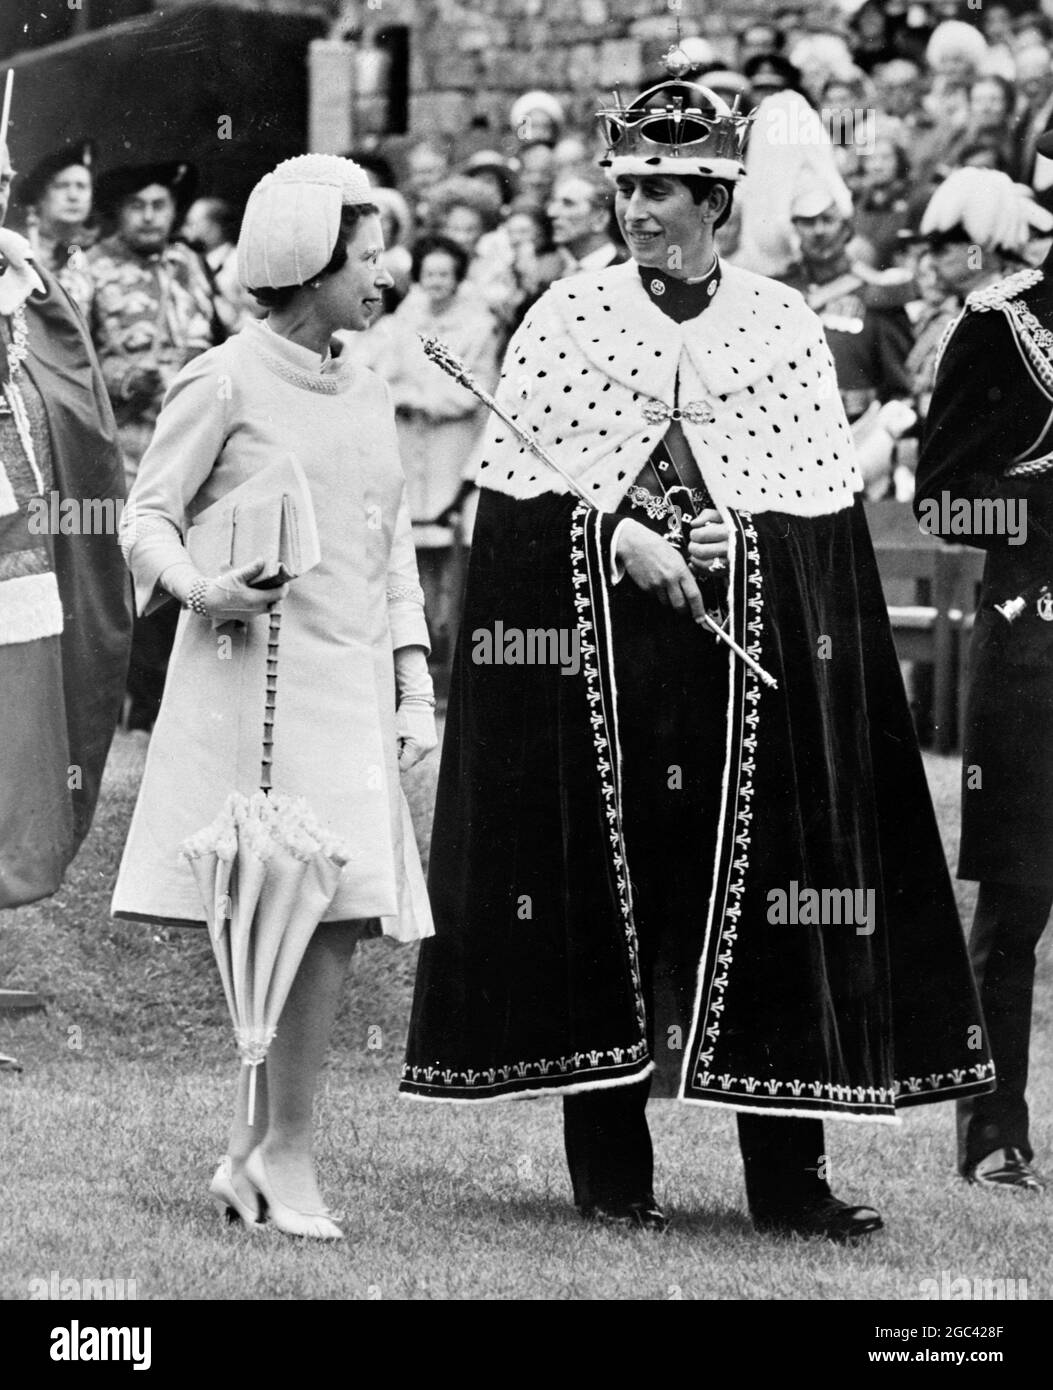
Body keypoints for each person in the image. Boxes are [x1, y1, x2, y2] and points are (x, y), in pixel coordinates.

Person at [400, 71, 993, 1241]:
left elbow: (821, 533)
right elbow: (515, 524)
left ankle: (791, 1180)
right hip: (601, 675)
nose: (639, 213)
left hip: (744, 681)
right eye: (627, 189)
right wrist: (611, 531)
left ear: (717, 199)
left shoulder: (782, 332)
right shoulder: (565, 321)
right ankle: (611, 1174)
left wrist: (745, 540)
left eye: (663, 190)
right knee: (604, 900)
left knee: (774, 906)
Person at [111, 155, 436, 1239]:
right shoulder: (224, 378)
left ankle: (273, 1150)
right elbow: (145, 516)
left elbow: (388, 550)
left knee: (337, 919)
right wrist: (205, 587)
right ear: (308, 262)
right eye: (366, 255)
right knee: (271, 918)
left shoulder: (373, 387)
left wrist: (412, 677)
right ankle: (264, 1150)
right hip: (245, 682)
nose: (382, 274)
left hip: (347, 682)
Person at [915, 156, 1053, 1193]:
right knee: (1016, 902)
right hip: (1035, 641)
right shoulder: (1002, 327)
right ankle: (993, 1125)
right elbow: (944, 502)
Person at [0, 137, 130, 910]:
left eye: (5, 176)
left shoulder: (30, 294)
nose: (3, 187)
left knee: (15, 778)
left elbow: (75, 411)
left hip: (22, 568)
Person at [82, 161, 214, 733]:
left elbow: (215, 329)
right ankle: (131, 700)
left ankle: (169, 700)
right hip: (127, 442)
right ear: (119, 211)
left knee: (184, 560)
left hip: (192, 434)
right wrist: (125, 380)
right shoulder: (88, 269)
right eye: (139, 205)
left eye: (161, 205)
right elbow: (74, 358)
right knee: (130, 563)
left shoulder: (187, 264)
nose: (151, 216)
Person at [365, 233, 499, 668]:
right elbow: (380, 378)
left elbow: (477, 391)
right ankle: (417, 652)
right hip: (409, 441)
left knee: (452, 548)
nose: (437, 281)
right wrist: (410, 395)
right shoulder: (400, 324)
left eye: (445, 274)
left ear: (458, 278)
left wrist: (424, 398)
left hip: (452, 446)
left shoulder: (479, 327)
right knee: (411, 550)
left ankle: (449, 649)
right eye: (429, 274)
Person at [15, 141, 96, 299]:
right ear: (41, 196)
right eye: (62, 185)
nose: (73, 196)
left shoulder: (93, 253)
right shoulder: (17, 248)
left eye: (81, 186)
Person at [180, 196, 257, 338]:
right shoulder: (190, 262)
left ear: (213, 226)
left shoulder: (238, 263)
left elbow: (258, 314)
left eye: (192, 224)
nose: (185, 230)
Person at [547, 169, 623, 275]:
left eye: (568, 204)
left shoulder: (627, 277)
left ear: (600, 219)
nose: (551, 212)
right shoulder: (551, 274)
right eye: (553, 202)